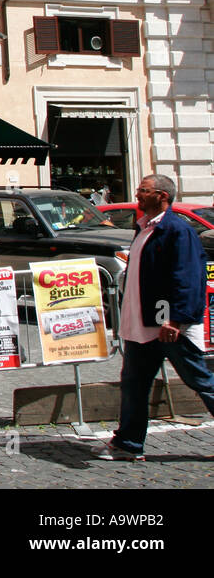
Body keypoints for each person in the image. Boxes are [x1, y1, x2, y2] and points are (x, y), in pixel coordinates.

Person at [105, 174, 214, 460]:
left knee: (200, 380)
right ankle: (128, 444)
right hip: (144, 326)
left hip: (166, 326)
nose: (138, 195)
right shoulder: (144, 227)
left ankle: (127, 442)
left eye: (144, 190)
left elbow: (186, 278)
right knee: (134, 384)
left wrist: (173, 319)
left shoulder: (176, 230)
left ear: (162, 196)